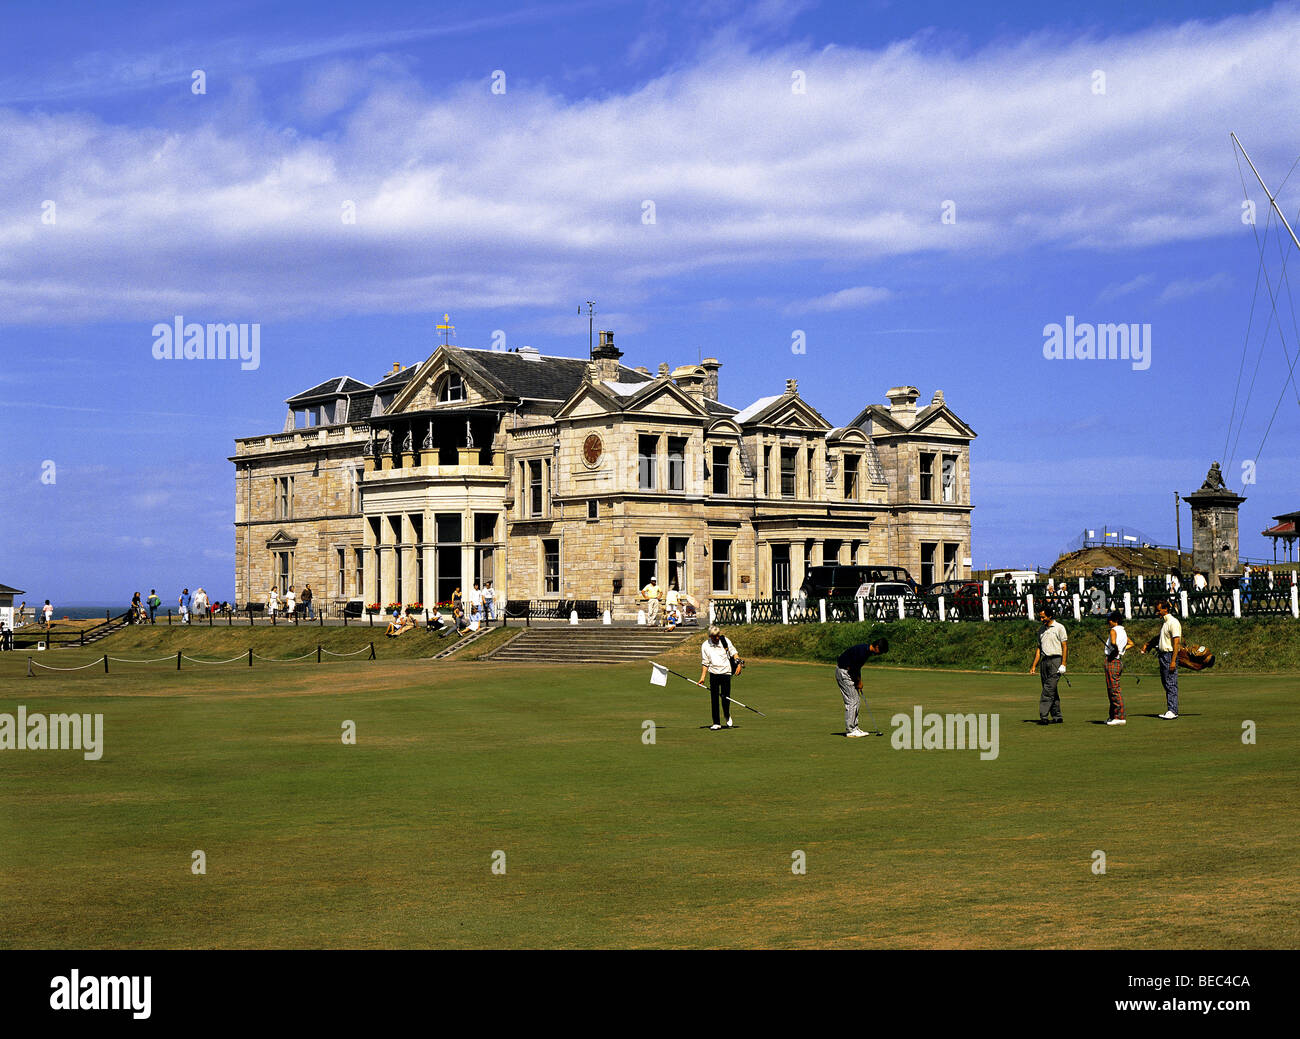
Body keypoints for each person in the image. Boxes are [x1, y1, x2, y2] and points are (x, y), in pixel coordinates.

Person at [835, 640, 887, 738]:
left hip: (846, 671)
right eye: (880, 651)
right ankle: (851, 730)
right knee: (852, 701)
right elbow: (853, 668)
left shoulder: (865, 650)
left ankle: (854, 727)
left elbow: (857, 667)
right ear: (877, 647)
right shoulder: (863, 652)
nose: (879, 654)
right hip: (844, 672)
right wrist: (858, 682)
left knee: (856, 700)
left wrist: (859, 680)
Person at [1141, 599, 1182, 719]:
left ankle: (1173, 710)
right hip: (1163, 655)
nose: (1157, 613)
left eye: (1158, 610)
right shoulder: (1165, 623)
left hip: (1169, 655)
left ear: (1165, 609)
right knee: (1166, 683)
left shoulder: (1173, 622)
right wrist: (1148, 645)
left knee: (1171, 683)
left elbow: (1176, 643)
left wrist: (1173, 660)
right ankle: (1171, 709)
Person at [1029, 605, 1067, 724]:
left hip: (1056, 661)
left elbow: (1064, 646)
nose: (1041, 619)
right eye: (1040, 617)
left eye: (1043, 617)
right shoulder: (1041, 630)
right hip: (1044, 662)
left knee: (1048, 689)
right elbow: (1039, 649)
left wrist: (1063, 664)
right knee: (1052, 689)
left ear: (1050, 616)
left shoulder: (1059, 627)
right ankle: (1057, 716)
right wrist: (1034, 665)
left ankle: (1043, 716)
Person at [696, 625, 740, 730]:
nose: (717, 638)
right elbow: (705, 662)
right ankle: (716, 722)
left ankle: (726, 714)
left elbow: (734, 653)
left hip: (726, 673)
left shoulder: (725, 641)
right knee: (714, 699)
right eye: (714, 636)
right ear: (710, 636)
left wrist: (738, 664)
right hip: (713, 674)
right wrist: (702, 677)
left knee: (725, 698)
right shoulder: (705, 645)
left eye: (718, 635)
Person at [1102, 609, 1128, 725]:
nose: (1109, 622)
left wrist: (1116, 649)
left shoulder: (1114, 630)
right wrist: (1121, 650)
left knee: (1114, 690)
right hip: (1118, 661)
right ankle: (1113, 716)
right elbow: (1130, 643)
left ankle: (1120, 717)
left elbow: (1113, 642)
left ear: (1116, 620)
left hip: (1112, 661)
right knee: (1112, 689)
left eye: (1110, 620)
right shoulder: (1124, 631)